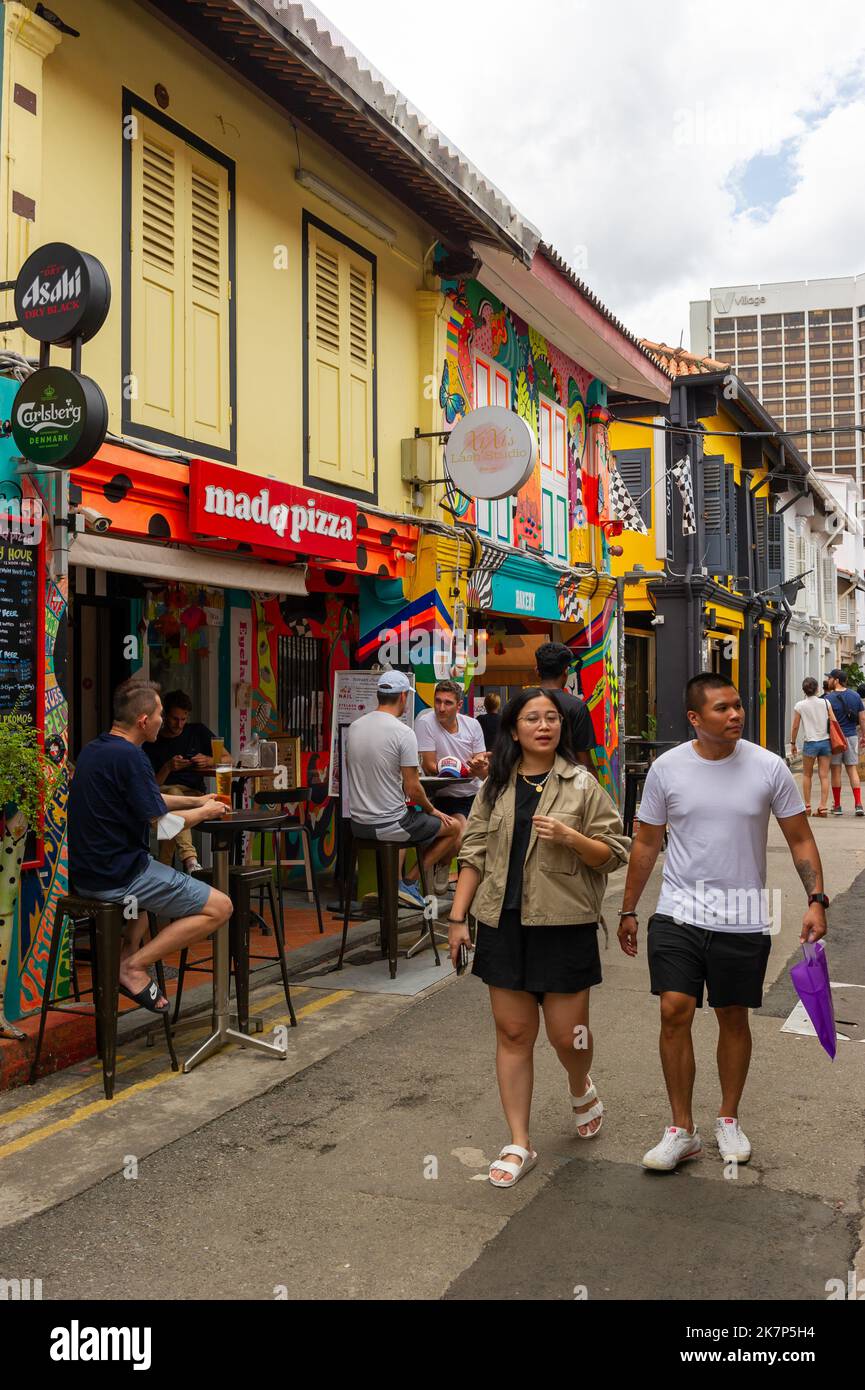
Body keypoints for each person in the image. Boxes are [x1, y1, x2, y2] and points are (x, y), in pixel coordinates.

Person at [617, 673, 827, 1172]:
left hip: (743, 914)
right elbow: (647, 842)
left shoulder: (768, 767)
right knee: (675, 1009)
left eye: (737, 706)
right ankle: (680, 1129)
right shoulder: (667, 769)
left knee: (733, 1015)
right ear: (695, 717)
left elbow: (799, 837)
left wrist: (816, 899)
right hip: (678, 911)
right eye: (722, 709)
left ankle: (728, 1118)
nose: (735, 715)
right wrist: (628, 908)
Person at [448, 688, 630, 1188]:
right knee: (513, 1034)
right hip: (502, 924)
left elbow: (615, 852)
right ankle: (519, 1141)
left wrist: (572, 838)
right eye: (532, 718)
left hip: (563, 924)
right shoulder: (495, 787)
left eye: (551, 718)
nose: (544, 725)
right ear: (514, 730)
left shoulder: (583, 785)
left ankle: (579, 1081)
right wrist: (458, 918)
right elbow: (474, 852)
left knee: (567, 1036)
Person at [68, 680, 232, 1014]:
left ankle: (128, 953)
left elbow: (149, 798)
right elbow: (163, 827)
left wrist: (197, 799)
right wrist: (206, 811)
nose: (162, 720)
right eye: (160, 714)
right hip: (119, 876)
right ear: (144, 720)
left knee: (149, 890)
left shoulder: (97, 749)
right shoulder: (132, 756)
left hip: (86, 874)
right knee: (221, 907)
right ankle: (131, 966)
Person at [345, 670, 462, 910]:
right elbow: (413, 788)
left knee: (410, 817)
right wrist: (433, 811)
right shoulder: (402, 732)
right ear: (402, 697)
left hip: (357, 824)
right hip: (389, 824)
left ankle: (397, 887)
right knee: (455, 827)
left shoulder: (355, 727)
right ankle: (408, 883)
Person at [415, 679, 488, 891]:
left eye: (447, 703)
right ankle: (441, 865)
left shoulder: (472, 725)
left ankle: (443, 865)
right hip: (442, 794)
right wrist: (461, 768)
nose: (440, 707)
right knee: (459, 837)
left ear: (459, 705)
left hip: (472, 793)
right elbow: (429, 766)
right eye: (437, 701)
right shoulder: (426, 722)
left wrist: (478, 764)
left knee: (466, 842)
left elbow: (481, 761)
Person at [143, 690, 218, 873]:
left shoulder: (197, 731)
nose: (180, 724)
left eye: (184, 719)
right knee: (173, 797)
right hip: (165, 796)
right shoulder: (153, 741)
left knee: (169, 817)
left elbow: (227, 758)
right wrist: (168, 767)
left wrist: (208, 760)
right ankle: (190, 859)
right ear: (165, 716)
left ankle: (163, 868)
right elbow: (150, 786)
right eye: (175, 719)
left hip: (195, 796)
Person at [535, 641, 597, 779]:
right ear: (566, 672)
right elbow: (584, 761)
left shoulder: (518, 705)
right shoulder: (576, 707)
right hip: (567, 787)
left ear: (537, 671)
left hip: (527, 786)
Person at [824, 668, 865, 817]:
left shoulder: (828, 699)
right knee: (852, 770)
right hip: (852, 736)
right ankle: (859, 804)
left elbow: (825, 721)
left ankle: (838, 806)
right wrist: (864, 736)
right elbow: (862, 718)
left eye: (830, 678)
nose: (828, 681)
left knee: (836, 770)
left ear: (836, 680)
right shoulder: (855, 696)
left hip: (835, 738)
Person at [790, 676, 831, 816]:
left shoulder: (800, 705)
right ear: (817, 688)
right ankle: (823, 807)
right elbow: (834, 721)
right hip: (826, 742)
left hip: (810, 743)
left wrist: (793, 743)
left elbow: (795, 726)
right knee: (824, 776)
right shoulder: (826, 703)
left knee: (807, 775)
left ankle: (807, 806)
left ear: (804, 690)